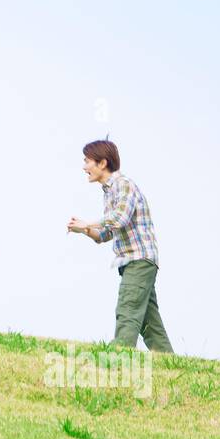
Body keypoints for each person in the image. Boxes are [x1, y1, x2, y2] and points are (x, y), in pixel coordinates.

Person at [67, 139, 173, 352]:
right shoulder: (108, 192)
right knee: (146, 320)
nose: (84, 167)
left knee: (128, 309)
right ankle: (168, 360)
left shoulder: (123, 185)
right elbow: (104, 235)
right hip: (131, 262)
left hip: (139, 259)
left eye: (87, 161)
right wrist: (85, 231)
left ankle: (120, 355)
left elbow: (120, 218)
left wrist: (88, 222)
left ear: (102, 163)